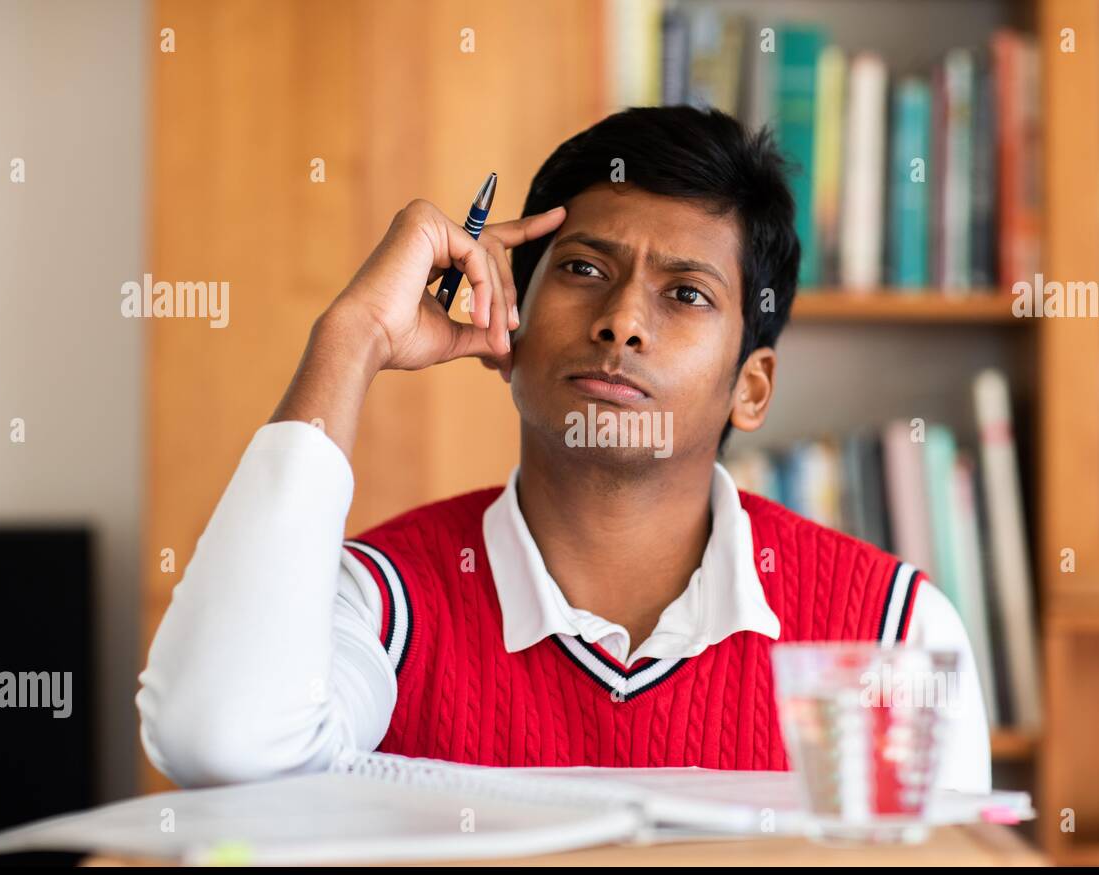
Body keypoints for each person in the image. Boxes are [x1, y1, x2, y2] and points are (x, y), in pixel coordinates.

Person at [136, 105, 991, 792]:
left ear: (751, 386)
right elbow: (218, 741)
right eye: (584, 270)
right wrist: (350, 337)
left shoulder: (893, 632)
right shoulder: (381, 604)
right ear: (506, 314)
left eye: (686, 293)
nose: (622, 319)